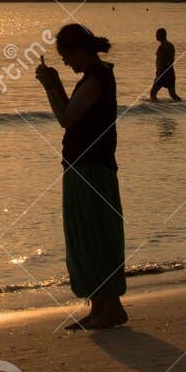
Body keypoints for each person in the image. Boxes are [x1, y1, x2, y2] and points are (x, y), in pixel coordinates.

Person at [35, 22, 128, 330]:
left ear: (79, 50)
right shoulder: (96, 76)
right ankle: (101, 306)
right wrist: (56, 85)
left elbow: (66, 118)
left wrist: (50, 85)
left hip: (91, 168)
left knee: (92, 235)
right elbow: (71, 115)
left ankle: (109, 307)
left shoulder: (97, 78)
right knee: (87, 236)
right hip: (85, 166)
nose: (67, 63)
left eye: (67, 57)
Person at [149, 27, 180, 101]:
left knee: (153, 93)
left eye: (157, 34)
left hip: (163, 73)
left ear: (162, 35)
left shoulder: (164, 46)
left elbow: (164, 61)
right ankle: (182, 105)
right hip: (169, 73)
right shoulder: (169, 45)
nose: (156, 36)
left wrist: (159, 73)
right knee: (173, 94)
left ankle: (156, 108)